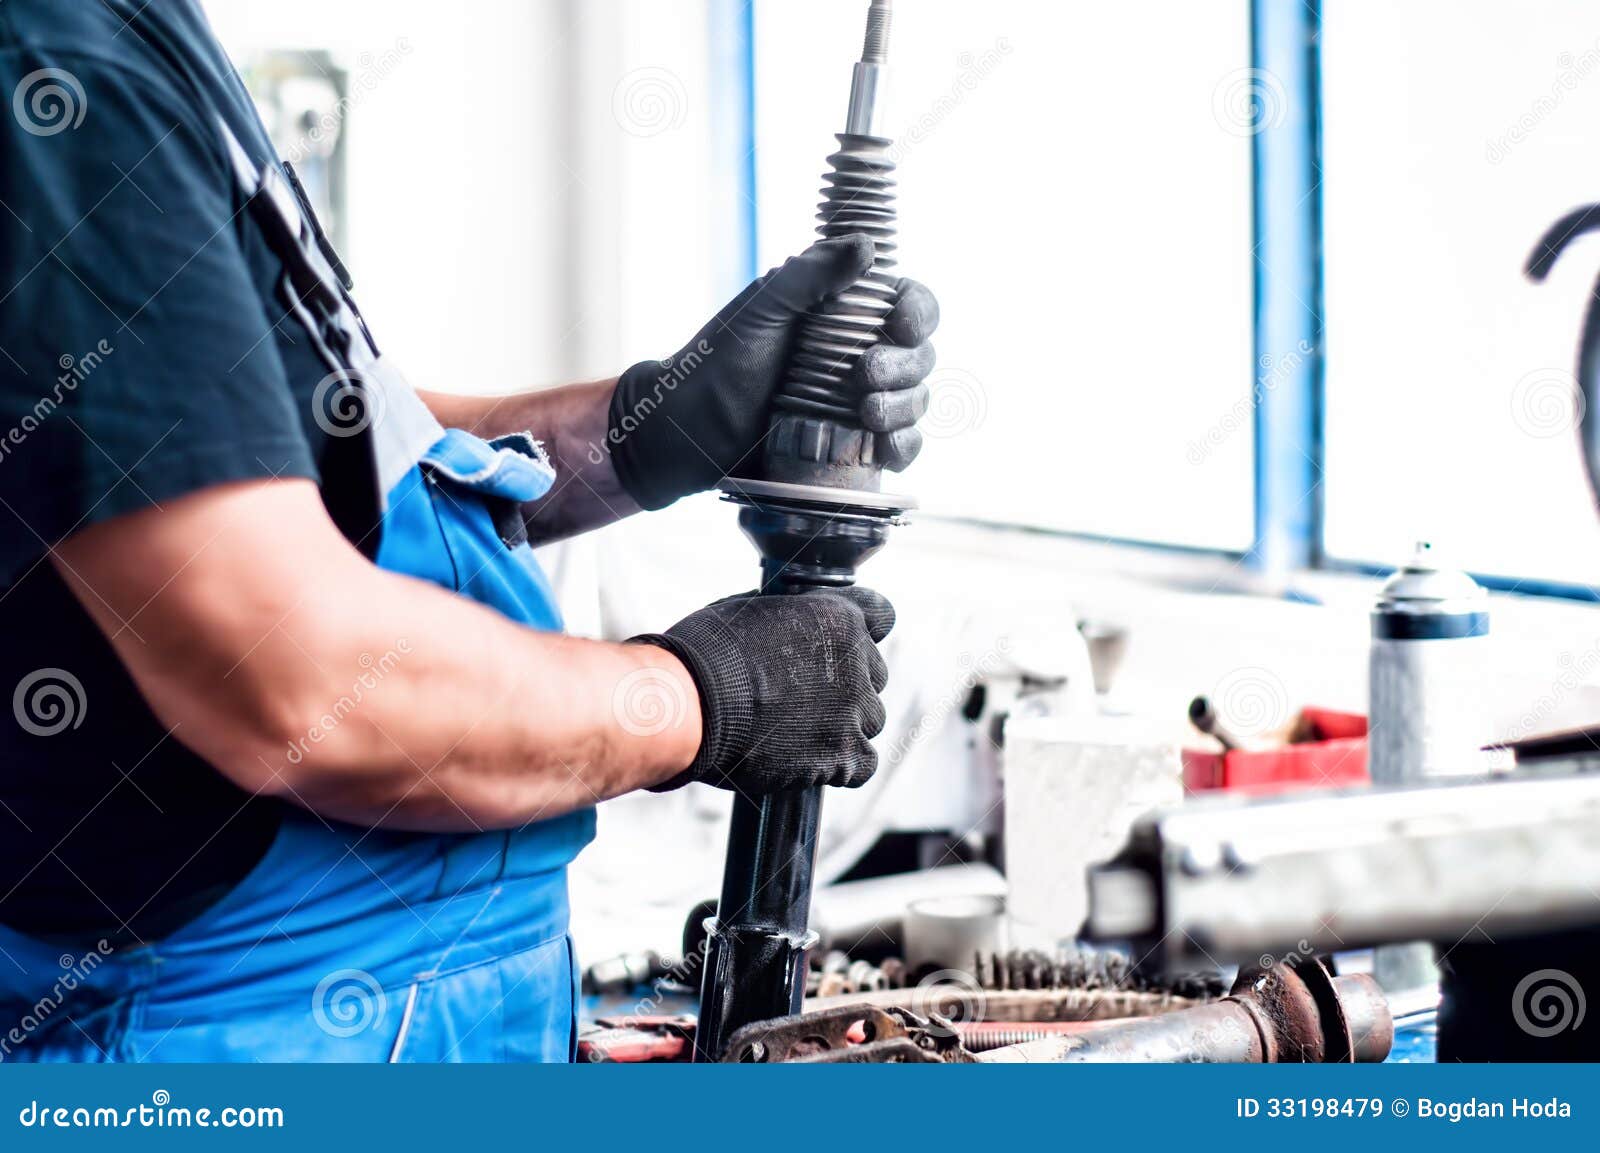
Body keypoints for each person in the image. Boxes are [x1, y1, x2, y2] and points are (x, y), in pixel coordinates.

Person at [0, 0, 938, 1062]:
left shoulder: (134, 38)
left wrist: (645, 430)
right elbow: (291, 682)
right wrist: (698, 698)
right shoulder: (54, 68)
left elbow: (333, 462)